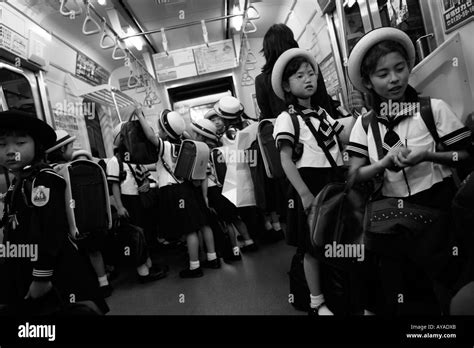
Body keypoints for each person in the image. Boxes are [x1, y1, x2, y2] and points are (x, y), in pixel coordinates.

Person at [346, 27, 473, 314]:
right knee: (411, 296)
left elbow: (464, 154)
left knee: (451, 286)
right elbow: (353, 176)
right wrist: (381, 164)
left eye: (400, 68)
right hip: (394, 220)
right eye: (383, 74)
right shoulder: (364, 125)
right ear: (367, 82)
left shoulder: (433, 109)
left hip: (439, 208)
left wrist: (428, 155)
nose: (394, 79)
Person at [0, 110, 108, 315]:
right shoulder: (18, 183)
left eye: (20, 143)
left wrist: (42, 278)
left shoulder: (44, 179)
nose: (10, 151)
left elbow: (51, 231)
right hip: (27, 265)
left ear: (37, 146)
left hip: (54, 271)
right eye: (2, 145)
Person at [272, 48, 355, 315]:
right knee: (311, 247)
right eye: (299, 75)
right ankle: (317, 301)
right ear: (286, 85)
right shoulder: (287, 118)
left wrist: (358, 112)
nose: (308, 79)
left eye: (311, 74)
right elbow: (285, 160)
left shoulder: (322, 113)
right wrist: (305, 195)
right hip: (308, 184)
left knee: (334, 239)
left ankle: (340, 292)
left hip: (333, 181)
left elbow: (344, 136)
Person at [136, 108, 219, 278]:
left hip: (174, 190)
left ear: (166, 132)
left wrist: (139, 115)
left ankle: (194, 267)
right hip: (189, 188)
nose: (158, 131)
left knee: (189, 230)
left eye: (160, 128)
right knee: (202, 224)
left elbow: (151, 137)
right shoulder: (186, 145)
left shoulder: (165, 146)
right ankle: (213, 258)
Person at [46, 130, 112, 298]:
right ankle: (104, 283)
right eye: (70, 147)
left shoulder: (50, 172)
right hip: (88, 219)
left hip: (66, 225)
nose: (73, 150)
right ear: (62, 150)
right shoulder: (79, 168)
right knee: (94, 251)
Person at [107, 123, 168, 283]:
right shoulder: (115, 161)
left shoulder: (136, 156)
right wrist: (119, 207)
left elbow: (146, 176)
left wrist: (147, 183)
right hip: (128, 201)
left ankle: (148, 265)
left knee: (145, 232)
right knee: (135, 235)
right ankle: (143, 272)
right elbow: (114, 185)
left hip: (140, 199)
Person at [191, 118, 257, 259]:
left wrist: (205, 197)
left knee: (226, 222)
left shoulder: (203, 153)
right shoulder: (222, 149)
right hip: (229, 185)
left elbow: (203, 177)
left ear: (201, 136)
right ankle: (249, 241)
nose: (194, 136)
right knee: (236, 217)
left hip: (214, 190)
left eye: (196, 134)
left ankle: (234, 251)